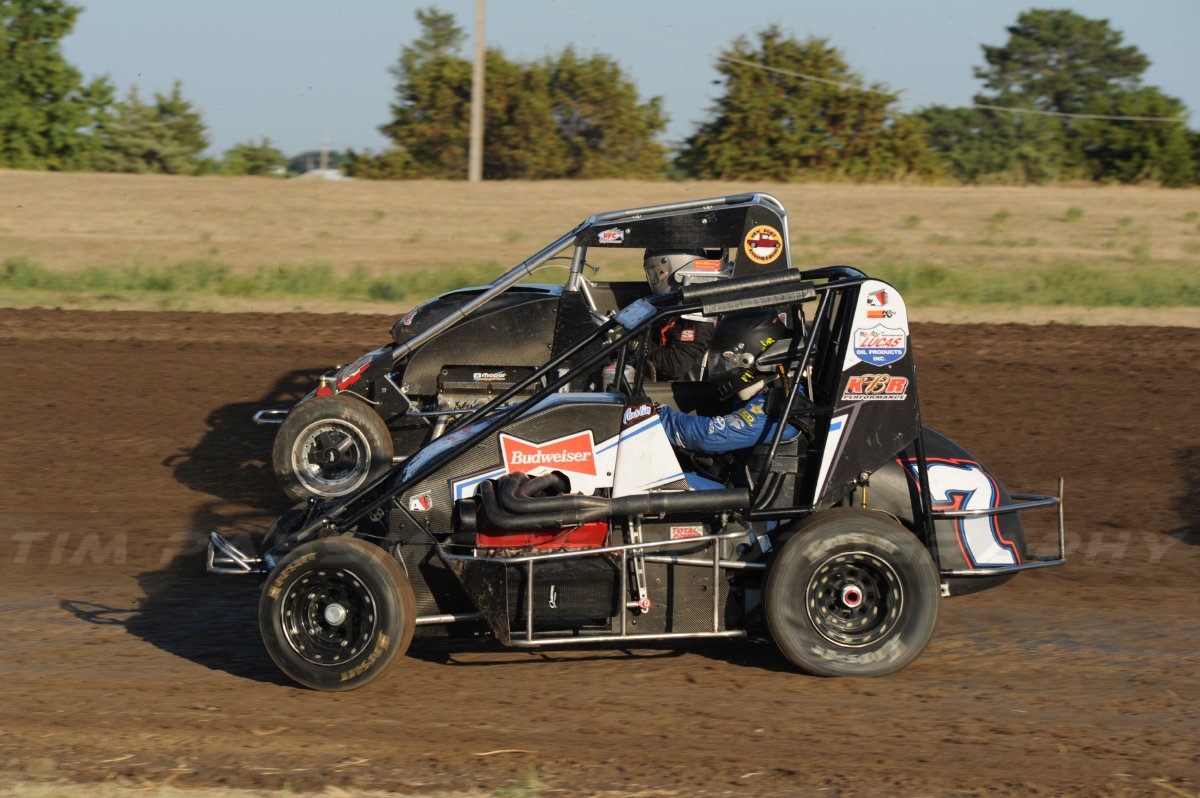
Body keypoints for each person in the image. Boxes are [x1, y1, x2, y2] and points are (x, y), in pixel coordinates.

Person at [656, 310, 800, 491]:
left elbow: (708, 436)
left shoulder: (776, 404)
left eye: (727, 361)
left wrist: (656, 414)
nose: (720, 368)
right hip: (733, 486)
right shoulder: (761, 391)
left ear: (750, 359)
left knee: (651, 478)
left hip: (748, 508)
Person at [640, 249, 728, 381]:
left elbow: (677, 364)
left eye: (657, 272)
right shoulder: (677, 305)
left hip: (686, 394)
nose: (654, 279)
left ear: (675, 269)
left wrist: (639, 347)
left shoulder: (697, 310)